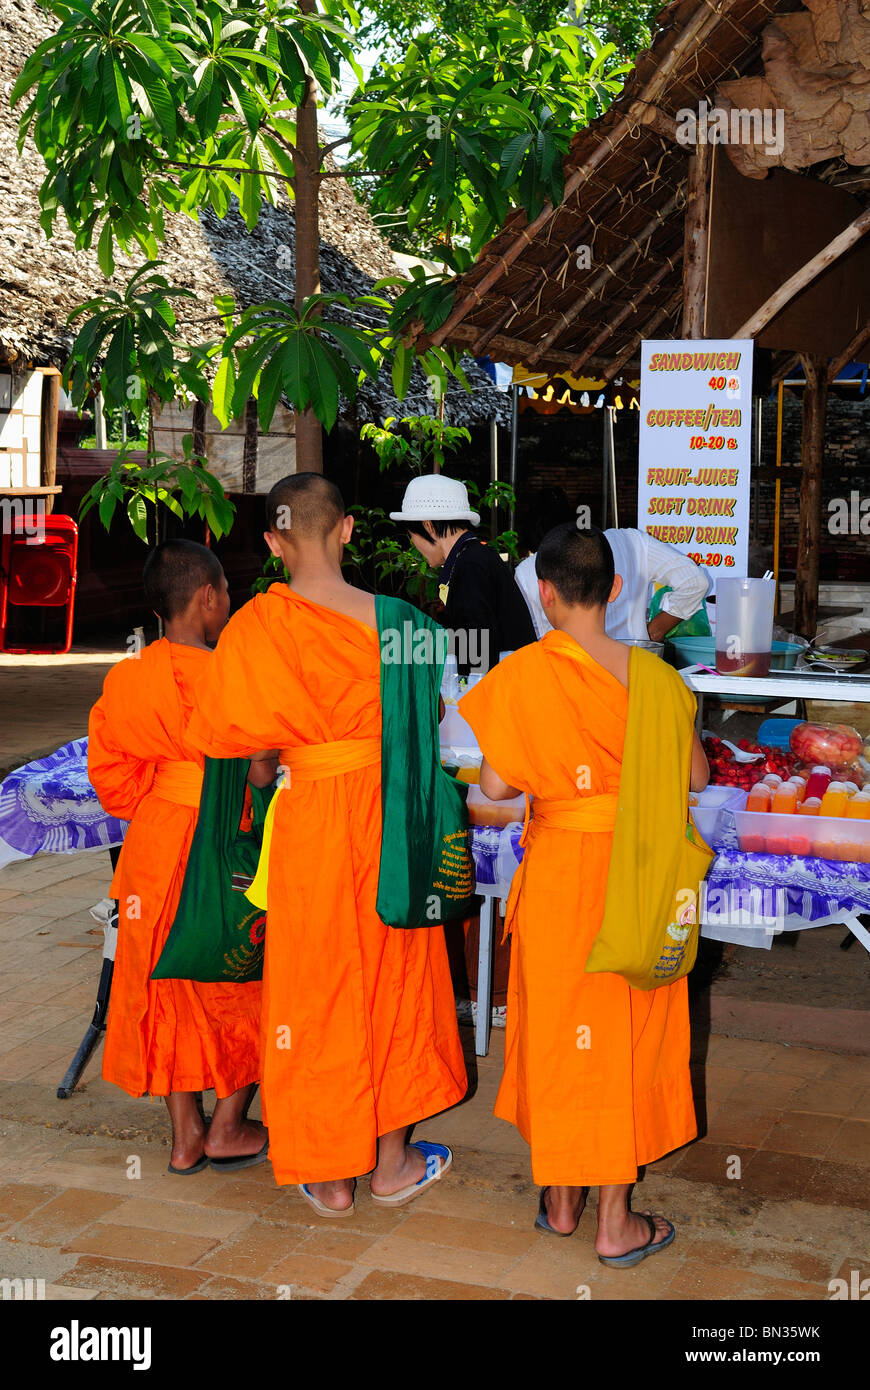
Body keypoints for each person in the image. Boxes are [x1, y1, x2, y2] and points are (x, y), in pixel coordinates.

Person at [187, 473, 467, 1215]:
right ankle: (392, 1162)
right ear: (346, 531)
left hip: (309, 821)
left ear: (274, 543)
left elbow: (245, 756)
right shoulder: (405, 624)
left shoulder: (255, 626)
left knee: (314, 994)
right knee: (396, 979)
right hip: (391, 825)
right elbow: (430, 728)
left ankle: (330, 1175)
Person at [460, 523, 709, 1266]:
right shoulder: (659, 679)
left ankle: (563, 1203)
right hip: (637, 876)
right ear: (618, 590)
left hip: (562, 877)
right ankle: (615, 1220)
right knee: (625, 1039)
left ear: (543, 593)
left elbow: (499, 786)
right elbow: (696, 778)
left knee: (563, 1035)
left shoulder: (524, 674)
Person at [88, 540, 269, 1175]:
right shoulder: (237, 675)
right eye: (225, 593)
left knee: (162, 984)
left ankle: (185, 1134)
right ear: (206, 598)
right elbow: (264, 771)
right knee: (241, 978)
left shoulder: (128, 677)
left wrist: (168, 795)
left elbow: (112, 781)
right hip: (227, 846)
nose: (229, 602)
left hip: (155, 848)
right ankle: (227, 1125)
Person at [391, 474, 535, 673]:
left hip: (505, 691)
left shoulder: (470, 565)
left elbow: (477, 651)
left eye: (411, 536)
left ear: (428, 526)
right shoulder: (473, 557)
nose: (414, 545)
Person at [515, 522, 709, 644]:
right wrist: (653, 632)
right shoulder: (633, 543)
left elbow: (535, 642)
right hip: (633, 671)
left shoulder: (527, 573)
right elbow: (695, 581)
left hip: (566, 684)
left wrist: (654, 631)